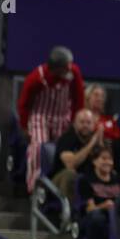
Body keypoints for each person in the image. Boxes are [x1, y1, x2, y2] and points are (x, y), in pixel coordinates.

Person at [19, 46, 86, 193]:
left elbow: (78, 98)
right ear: (55, 69)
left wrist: (76, 119)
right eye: (65, 67)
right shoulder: (37, 78)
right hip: (40, 116)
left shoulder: (73, 72)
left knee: (61, 149)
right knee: (37, 148)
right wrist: (24, 126)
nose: (69, 68)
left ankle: (56, 186)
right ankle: (35, 185)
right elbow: (24, 104)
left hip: (63, 116)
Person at [74, 146, 120, 239]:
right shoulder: (86, 180)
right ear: (94, 161)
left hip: (114, 218)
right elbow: (90, 209)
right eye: (103, 158)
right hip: (91, 218)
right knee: (97, 218)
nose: (107, 162)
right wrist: (103, 206)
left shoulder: (118, 180)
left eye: (110, 159)